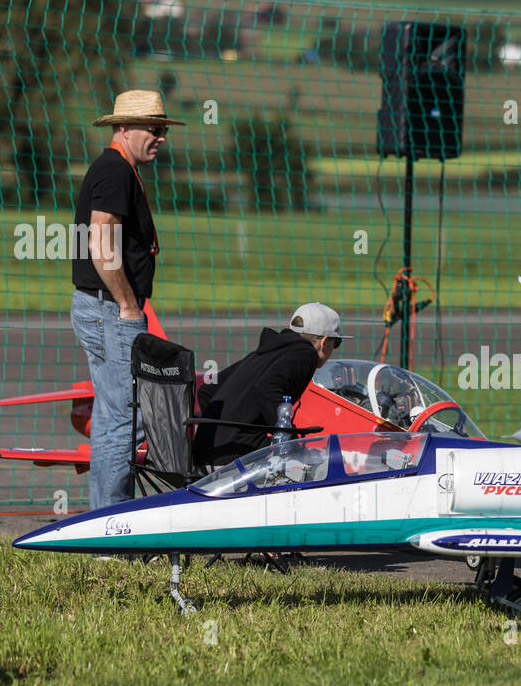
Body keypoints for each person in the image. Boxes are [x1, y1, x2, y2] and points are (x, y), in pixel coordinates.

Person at [71, 89, 183, 510]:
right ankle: (114, 525)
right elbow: (101, 243)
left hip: (98, 306)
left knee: (110, 415)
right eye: (154, 129)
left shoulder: (115, 168)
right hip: (109, 309)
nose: (161, 137)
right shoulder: (115, 170)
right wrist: (128, 305)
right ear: (123, 128)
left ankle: (101, 522)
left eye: (163, 129)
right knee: (127, 418)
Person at [194, 303, 348, 467]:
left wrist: (217, 435)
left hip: (202, 454)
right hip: (234, 457)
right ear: (324, 342)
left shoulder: (263, 353)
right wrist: (290, 440)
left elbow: (206, 391)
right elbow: (267, 388)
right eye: (336, 342)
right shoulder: (306, 354)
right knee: (319, 463)